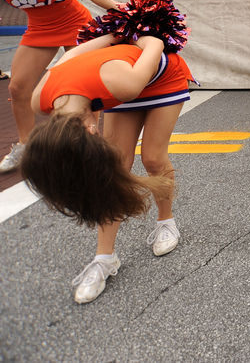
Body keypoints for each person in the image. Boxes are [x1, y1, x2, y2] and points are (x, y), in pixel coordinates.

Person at [20, 33, 193, 304]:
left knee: (153, 158)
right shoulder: (40, 100)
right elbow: (68, 57)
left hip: (160, 78)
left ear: (91, 129)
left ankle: (166, 221)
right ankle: (105, 258)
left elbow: (155, 44)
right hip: (110, 81)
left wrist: (129, 35)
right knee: (116, 166)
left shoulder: (125, 85)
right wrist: (113, 39)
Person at [0, 0, 119, 173]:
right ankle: (26, 146)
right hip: (40, 29)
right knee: (17, 87)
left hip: (75, 24)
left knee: (83, 88)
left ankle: (89, 143)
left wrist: (124, 12)